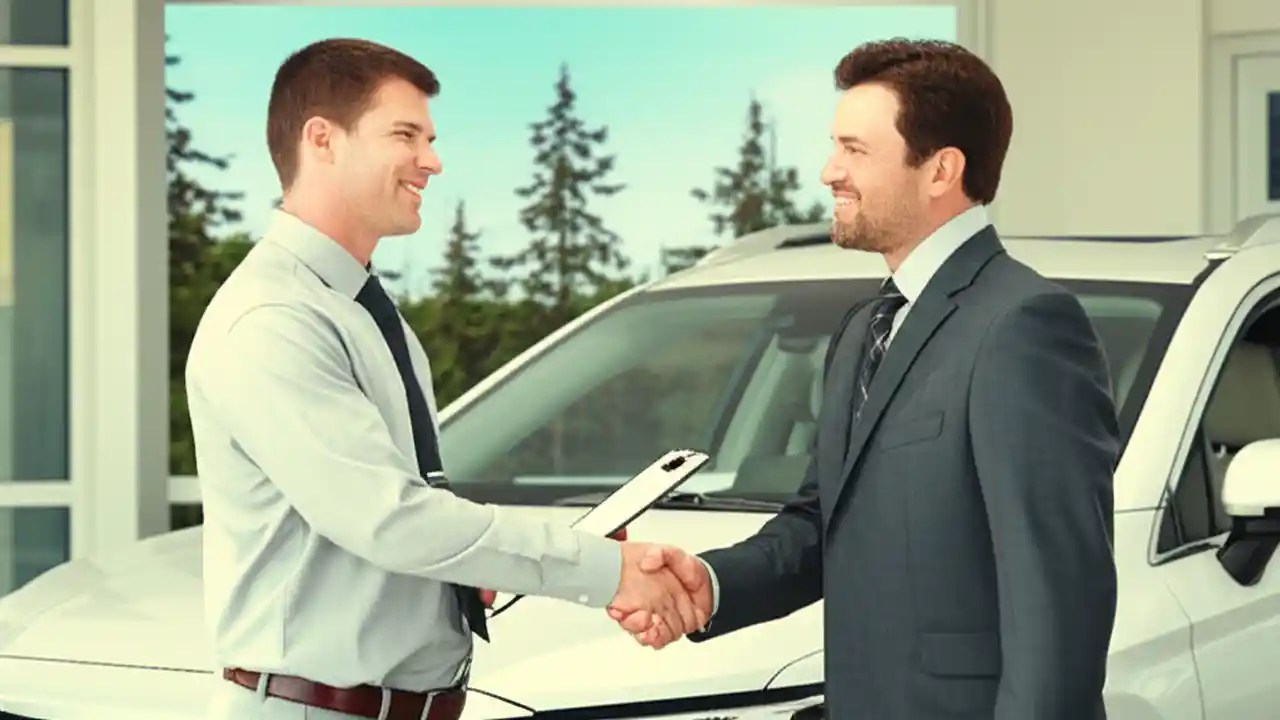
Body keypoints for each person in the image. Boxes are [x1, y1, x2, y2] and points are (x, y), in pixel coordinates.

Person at [186, 38, 702, 720]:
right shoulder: (273, 319)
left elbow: (398, 516)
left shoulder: (363, 309)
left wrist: (471, 571)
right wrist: (602, 570)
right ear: (322, 141)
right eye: (405, 134)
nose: (432, 160)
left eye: (429, 137)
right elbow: (392, 522)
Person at [611, 37, 1121, 720]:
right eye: (835, 147)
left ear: (941, 170)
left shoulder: (1025, 325)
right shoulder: (863, 328)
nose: (829, 171)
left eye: (855, 150)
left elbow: (1058, 595)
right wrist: (709, 583)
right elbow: (826, 525)